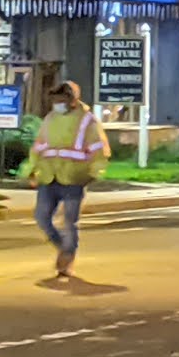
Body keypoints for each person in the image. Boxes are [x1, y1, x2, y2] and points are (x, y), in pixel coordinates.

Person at [29, 80, 111, 280]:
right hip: (49, 176)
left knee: (69, 222)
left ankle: (67, 257)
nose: (57, 104)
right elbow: (39, 146)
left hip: (74, 177)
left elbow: (99, 149)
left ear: (72, 100)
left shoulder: (87, 121)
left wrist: (94, 173)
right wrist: (31, 170)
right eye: (54, 100)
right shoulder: (50, 118)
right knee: (42, 218)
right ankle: (64, 249)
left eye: (61, 99)